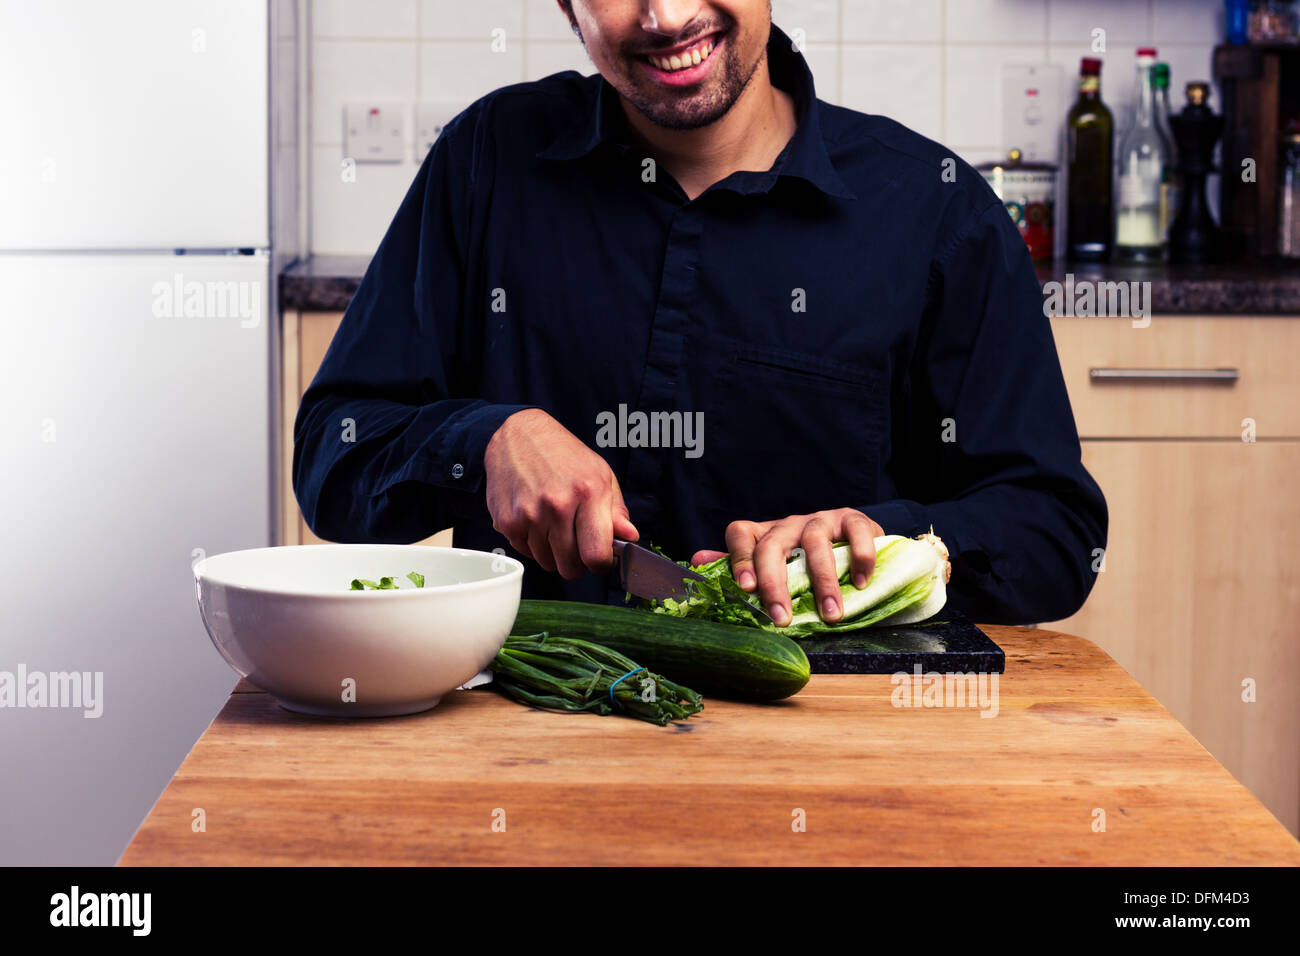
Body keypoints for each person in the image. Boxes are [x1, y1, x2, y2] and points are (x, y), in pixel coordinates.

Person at [294, 0, 1107, 626]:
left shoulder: (934, 211)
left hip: (835, 757)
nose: (667, 16)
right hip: (533, 738)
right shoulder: (486, 160)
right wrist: (485, 441)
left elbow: (1057, 534)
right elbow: (333, 456)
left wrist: (886, 537)